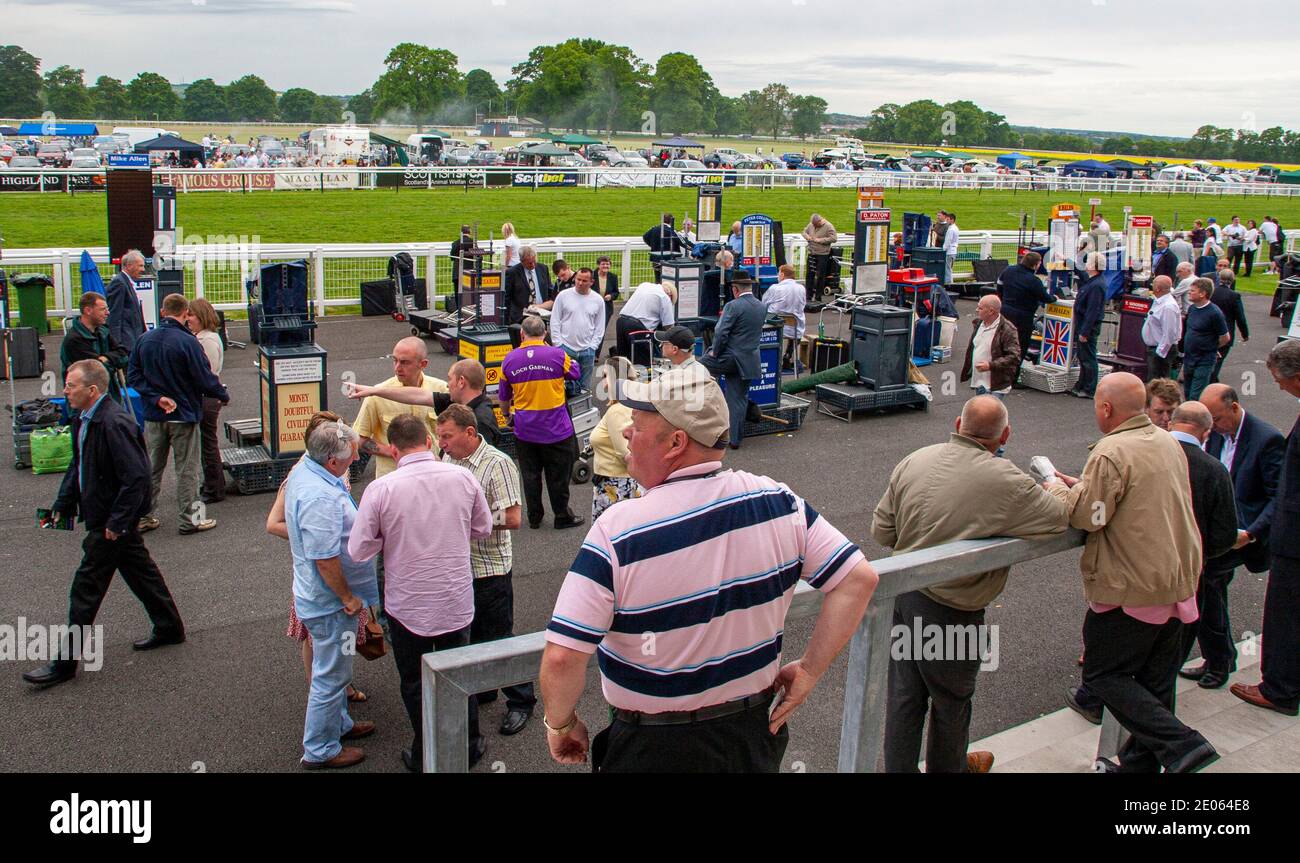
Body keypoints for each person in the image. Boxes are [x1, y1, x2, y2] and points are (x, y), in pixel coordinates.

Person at [539, 366, 879, 772]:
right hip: (751, 736)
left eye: (638, 424)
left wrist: (559, 724)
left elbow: (563, 657)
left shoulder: (617, 531)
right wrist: (808, 671)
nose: (627, 432)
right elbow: (858, 579)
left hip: (653, 749)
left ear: (676, 442)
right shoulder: (779, 501)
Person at [873, 395, 1068, 773]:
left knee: (904, 699)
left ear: (959, 424)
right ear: (1005, 434)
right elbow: (1061, 516)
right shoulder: (1007, 479)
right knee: (950, 703)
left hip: (907, 596)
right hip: (954, 611)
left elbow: (882, 530)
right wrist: (1053, 483)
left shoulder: (917, 458)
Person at [1044, 373, 1217, 773]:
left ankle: (1183, 743)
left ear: (1106, 408)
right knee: (1156, 683)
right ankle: (1141, 766)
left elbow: (1088, 516)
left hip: (1132, 586)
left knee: (1103, 674)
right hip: (1177, 580)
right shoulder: (1166, 441)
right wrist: (1085, 486)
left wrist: (1056, 487)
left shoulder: (1111, 451)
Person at [22, 360, 186, 688]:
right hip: (108, 519)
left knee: (85, 589)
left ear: (92, 390)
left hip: (110, 523)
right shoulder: (84, 419)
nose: (65, 391)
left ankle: (64, 665)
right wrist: (62, 506)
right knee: (141, 573)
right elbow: (79, 466)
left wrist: (118, 521)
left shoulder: (114, 423)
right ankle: (169, 628)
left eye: (71, 385)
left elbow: (137, 476)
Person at [349, 413, 492, 771]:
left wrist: (388, 538)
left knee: (414, 680)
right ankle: (470, 743)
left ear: (394, 450)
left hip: (407, 604)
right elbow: (483, 527)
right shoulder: (462, 477)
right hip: (455, 598)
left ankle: (425, 748)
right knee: (459, 673)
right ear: (429, 441)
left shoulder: (380, 490)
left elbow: (358, 550)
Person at [434, 404, 537, 736]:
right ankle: (486, 686)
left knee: (498, 638)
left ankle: (521, 702)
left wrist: (467, 521)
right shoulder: (448, 459)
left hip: (490, 568)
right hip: (460, 567)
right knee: (473, 634)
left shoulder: (498, 464)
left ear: (469, 432)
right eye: (439, 437)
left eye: (447, 437)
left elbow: (514, 518)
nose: (443, 443)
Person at [285, 420, 379, 770]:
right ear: (332, 461)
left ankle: (339, 725)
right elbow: (324, 558)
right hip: (329, 604)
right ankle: (320, 749)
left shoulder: (308, 472)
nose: (356, 460)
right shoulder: (319, 496)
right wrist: (348, 598)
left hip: (320, 598)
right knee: (330, 676)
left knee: (334, 670)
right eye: (352, 457)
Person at [267, 411, 371, 706]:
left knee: (338, 645)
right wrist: (315, 538)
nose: (353, 457)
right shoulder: (302, 477)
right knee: (317, 641)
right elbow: (273, 523)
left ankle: (340, 689)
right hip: (324, 582)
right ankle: (324, 696)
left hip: (337, 575)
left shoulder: (331, 469)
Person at [1189, 384, 1285, 689]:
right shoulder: (1215, 432)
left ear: (1233, 407)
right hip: (1220, 530)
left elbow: (1277, 497)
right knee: (1208, 591)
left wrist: (1252, 533)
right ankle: (1218, 657)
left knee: (1206, 588)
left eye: (1216, 420)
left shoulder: (1267, 439)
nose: (1213, 428)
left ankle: (1219, 660)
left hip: (1246, 533)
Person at [1231, 340, 1300, 717]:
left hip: (1294, 539)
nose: (1277, 386)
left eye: (1279, 380)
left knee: (1285, 613)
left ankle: (1279, 688)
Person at [127, 293, 229, 535]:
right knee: (186, 470)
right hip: (183, 414)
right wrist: (222, 394)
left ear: (162, 312)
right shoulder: (189, 343)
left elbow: (134, 376)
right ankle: (189, 519)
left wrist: (154, 398)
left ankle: (144, 515)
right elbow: (204, 378)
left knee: (152, 467)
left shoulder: (144, 340)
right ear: (184, 314)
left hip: (154, 415)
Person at [499, 316, 584, 530]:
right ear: (545, 333)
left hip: (525, 428)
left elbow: (503, 395)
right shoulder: (557, 355)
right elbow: (575, 372)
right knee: (558, 476)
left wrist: (508, 415)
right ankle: (562, 515)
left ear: (521, 334)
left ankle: (534, 516)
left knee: (530, 475)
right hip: (556, 428)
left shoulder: (509, 359)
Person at [352, 336, 447, 478]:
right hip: (394, 478)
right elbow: (359, 439)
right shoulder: (377, 394)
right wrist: (395, 452)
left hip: (434, 475)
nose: (397, 367)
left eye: (404, 362)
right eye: (394, 360)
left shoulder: (440, 390)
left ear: (423, 364)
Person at [700, 273, 765, 450]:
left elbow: (721, 332)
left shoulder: (733, 306)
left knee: (696, 368)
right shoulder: (761, 306)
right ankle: (734, 440)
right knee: (738, 400)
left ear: (735, 290)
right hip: (749, 361)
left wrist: (714, 352)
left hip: (728, 357)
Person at [588, 359, 642, 521]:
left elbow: (626, 453)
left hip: (615, 487)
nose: (602, 381)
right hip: (620, 484)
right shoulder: (630, 404)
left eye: (605, 375)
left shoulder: (617, 411)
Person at [186, 298, 226, 505]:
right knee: (206, 443)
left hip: (207, 399)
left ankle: (214, 487)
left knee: (208, 444)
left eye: (191, 315)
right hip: (207, 397)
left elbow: (206, 373)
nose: (188, 318)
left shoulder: (207, 341)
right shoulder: (202, 338)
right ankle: (212, 484)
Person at [60, 292, 129, 407]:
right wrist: (111, 361)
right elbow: (97, 372)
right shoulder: (74, 340)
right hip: (85, 404)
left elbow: (123, 355)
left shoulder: (103, 331)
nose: (107, 313)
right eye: (103, 309)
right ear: (88, 310)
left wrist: (105, 358)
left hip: (111, 398)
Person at [549, 266, 606, 394]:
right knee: (562, 389)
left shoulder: (598, 300)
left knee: (584, 389)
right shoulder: (563, 296)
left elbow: (599, 326)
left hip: (587, 351)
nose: (580, 283)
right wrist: (558, 344)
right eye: (578, 279)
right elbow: (555, 321)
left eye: (584, 281)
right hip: (565, 348)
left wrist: (593, 347)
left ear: (591, 282)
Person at [996, 251, 1053, 370]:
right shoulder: (1033, 280)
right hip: (1023, 316)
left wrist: (1003, 300)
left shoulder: (1008, 270)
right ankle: (1013, 375)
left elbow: (999, 285)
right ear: (1036, 265)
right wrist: (1055, 298)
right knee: (1020, 345)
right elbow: (1045, 298)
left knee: (1002, 341)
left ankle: (997, 368)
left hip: (1005, 311)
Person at [959, 294, 1020, 403]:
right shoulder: (978, 324)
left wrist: (990, 365)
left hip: (996, 385)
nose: (977, 310)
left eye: (980, 308)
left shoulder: (1008, 330)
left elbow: (1014, 356)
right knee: (981, 416)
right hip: (979, 382)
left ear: (991, 311)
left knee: (989, 416)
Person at [1181, 278, 1229, 401]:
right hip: (1189, 358)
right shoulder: (1192, 309)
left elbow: (1225, 337)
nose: (1189, 293)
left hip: (1204, 360)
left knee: (1195, 395)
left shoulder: (1215, 313)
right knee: (1187, 391)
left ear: (1203, 294)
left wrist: (1212, 347)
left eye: (1192, 291)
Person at [1068, 252, 1107, 400]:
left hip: (1088, 327)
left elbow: (1092, 310)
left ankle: (1089, 388)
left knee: (1088, 358)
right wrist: (1067, 260)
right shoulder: (1093, 281)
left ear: (1093, 265)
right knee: (1084, 357)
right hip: (1085, 324)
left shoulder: (1096, 285)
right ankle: (1082, 384)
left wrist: (1084, 331)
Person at [504, 246, 555, 347]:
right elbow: (507, 297)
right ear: (522, 261)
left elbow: (549, 289)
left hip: (541, 315)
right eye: (529, 263)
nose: (532, 265)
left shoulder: (543, 268)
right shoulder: (512, 272)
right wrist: (506, 321)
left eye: (534, 261)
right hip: (521, 317)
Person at [614, 281, 677, 360]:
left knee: (622, 359)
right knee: (642, 362)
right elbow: (669, 326)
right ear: (670, 295)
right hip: (637, 327)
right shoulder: (664, 297)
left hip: (621, 321)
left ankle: (622, 372)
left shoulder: (644, 285)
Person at [762, 264, 806, 372]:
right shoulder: (801, 288)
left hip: (775, 327)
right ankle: (788, 355)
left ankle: (771, 360)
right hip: (796, 327)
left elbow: (763, 304)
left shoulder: (775, 288)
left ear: (782, 275)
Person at [1208, 270, 1249, 383]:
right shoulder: (1234, 296)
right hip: (1226, 330)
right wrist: (1245, 333)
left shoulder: (1212, 292)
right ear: (1232, 280)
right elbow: (1240, 317)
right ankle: (1212, 379)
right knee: (1219, 359)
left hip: (1209, 329)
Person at [105, 249, 147, 354]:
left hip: (133, 341)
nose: (143, 269)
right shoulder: (119, 283)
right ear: (128, 266)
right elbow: (114, 316)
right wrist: (117, 346)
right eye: (140, 266)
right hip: (126, 344)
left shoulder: (126, 282)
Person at [1140, 275, 1181, 381]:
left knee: (1158, 383)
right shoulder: (1160, 301)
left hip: (1161, 350)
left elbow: (1169, 333)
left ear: (1157, 288)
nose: (1151, 285)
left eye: (1153, 283)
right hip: (1156, 348)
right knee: (1153, 381)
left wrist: (1160, 353)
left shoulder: (1168, 306)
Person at [801, 213, 837, 300]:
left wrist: (820, 240)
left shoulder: (828, 226)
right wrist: (808, 237)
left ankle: (818, 296)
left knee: (820, 276)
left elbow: (834, 238)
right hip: (812, 253)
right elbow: (804, 232)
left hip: (822, 254)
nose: (814, 226)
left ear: (820, 221)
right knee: (809, 275)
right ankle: (808, 296)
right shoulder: (811, 225)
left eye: (815, 225)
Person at [594, 256, 620, 339]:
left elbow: (616, 292)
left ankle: (597, 351)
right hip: (593, 306)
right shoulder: (592, 275)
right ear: (598, 265)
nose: (605, 266)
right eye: (603, 264)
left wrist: (611, 296)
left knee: (601, 332)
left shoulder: (613, 277)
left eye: (607, 264)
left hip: (606, 308)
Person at [941, 211, 960, 285]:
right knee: (949, 269)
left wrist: (943, 249)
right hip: (953, 251)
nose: (946, 221)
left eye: (948, 219)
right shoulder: (955, 228)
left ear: (952, 220)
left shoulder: (951, 229)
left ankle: (948, 284)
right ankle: (950, 283)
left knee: (947, 269)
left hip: (949, 252)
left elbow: (948, 241)